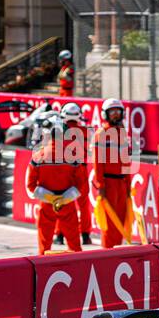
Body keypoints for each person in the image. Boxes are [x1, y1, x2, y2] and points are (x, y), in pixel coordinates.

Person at [26, 121, 86, 255]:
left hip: (47, 204)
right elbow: (81, 184)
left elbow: (30, 185)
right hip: (67, 203)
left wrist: (51, 198)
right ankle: (79, 269)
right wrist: (63, 199)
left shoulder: (38, 156)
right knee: (74, 245)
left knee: (44, 244)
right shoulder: (74, 156)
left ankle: (42, 270)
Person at [90, 98, 135, 248]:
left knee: (121, 220)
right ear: (105, 114)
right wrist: (100, 185)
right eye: (112, 112)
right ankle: (107, 252)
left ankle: (116, 249)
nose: (115, 115)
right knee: (109, 222)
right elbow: (98, 163)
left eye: (118, 111)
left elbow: (126, 160)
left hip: (121, 183)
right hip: (108, 183)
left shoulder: (122, 133)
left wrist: (128, 184)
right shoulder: (101, 134)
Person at [59, 103, 92, 246]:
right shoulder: (86, 132)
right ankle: (85, 235)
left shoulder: (59, 131)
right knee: (83, 204)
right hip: (81, 169)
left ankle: (59, 235)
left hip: (65, 170)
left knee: (61, 202)